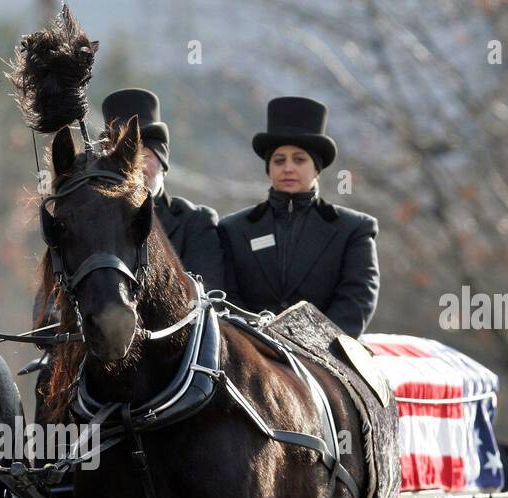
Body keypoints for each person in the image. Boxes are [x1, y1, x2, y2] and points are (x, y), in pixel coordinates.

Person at [218, 96, 379, 337]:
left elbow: (357, 297)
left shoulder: (353, 229)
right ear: (269, 168)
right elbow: (226, 295)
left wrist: (313, 342)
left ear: (316, 168)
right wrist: (256, 339)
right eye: (279, 160)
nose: (288, 168)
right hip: (250, 351)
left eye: (300, 159)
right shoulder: (233, 228)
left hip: (327, 355)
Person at [100, 88, 225, 292]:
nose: (133, 167)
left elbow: (209, 297)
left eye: (143, 156)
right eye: (121, 157)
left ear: (162, 163)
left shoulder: (194, 222)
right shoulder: (91, 222)